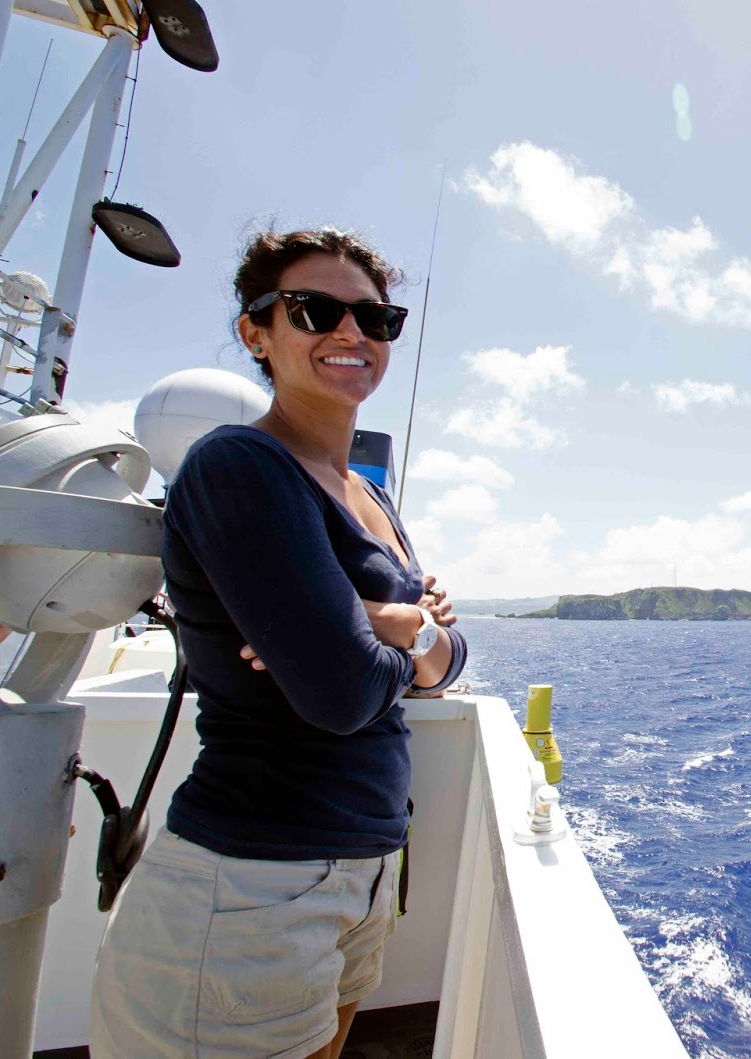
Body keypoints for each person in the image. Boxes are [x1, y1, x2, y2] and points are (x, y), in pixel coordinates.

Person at [90, 228, 467, 1058]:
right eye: (315, 309)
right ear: (257, 331)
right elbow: (339, 694)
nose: (351, 332)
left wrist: (389, 626)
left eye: (374, 316)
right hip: (251, 885)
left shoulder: (367, 497)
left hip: (360, 867)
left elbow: (449, 658)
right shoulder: (241, 466)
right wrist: (395, 632)